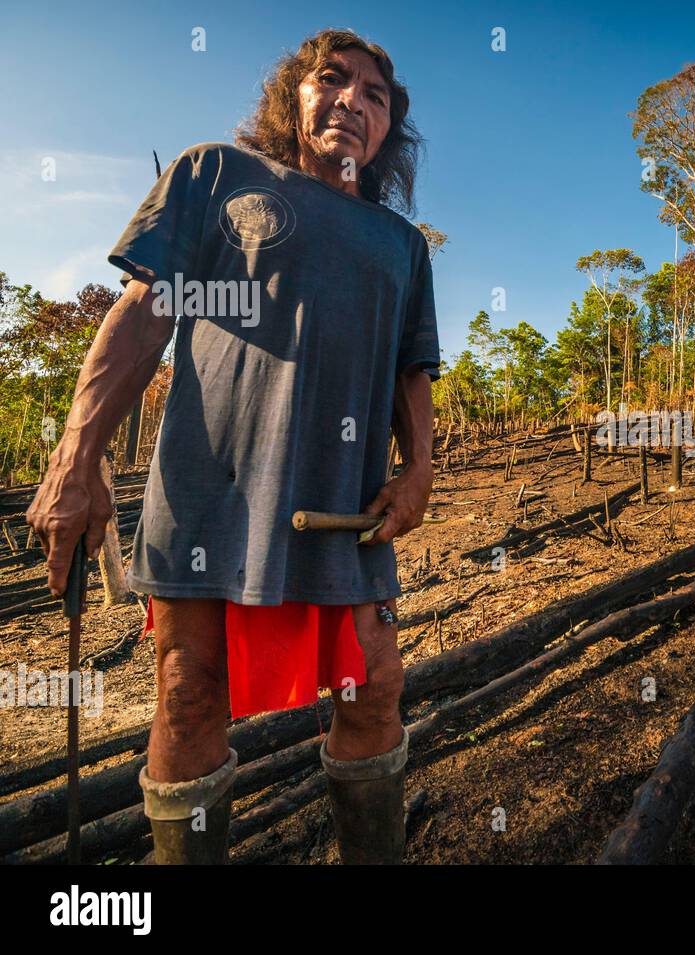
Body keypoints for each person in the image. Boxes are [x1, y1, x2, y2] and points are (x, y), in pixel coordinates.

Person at [26, 28, 439, 864]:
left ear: (389, 130)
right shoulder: (217, 174)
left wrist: (420, 466)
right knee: (188, 699)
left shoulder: (402, 246)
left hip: (344, 515)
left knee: (375, 691)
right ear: (294, 94)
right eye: (334, 81)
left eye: (376, 97)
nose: (354, 102)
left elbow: (411, 365)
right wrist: (76, 458)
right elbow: (144, 316)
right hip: (208, 499)